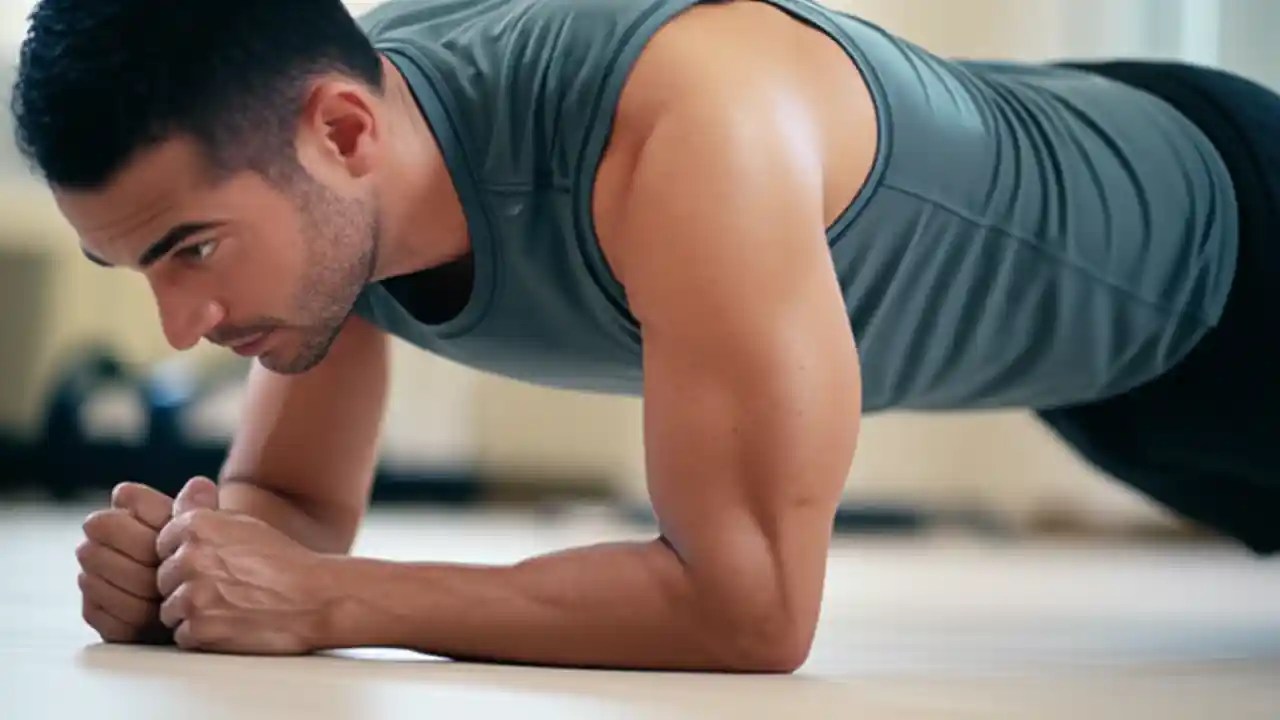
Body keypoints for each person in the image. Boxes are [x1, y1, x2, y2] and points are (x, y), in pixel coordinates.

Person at [11, 0, 1277, 672]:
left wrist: (330, 599)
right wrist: (193, 569)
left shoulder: (691, 124)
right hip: (1096, 365)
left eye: (193, 250)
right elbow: (289, 504)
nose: (180, 329)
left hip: (1235, 238)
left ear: (344, 135)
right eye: (137, 268)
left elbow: (746, 614)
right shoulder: (335, 173)